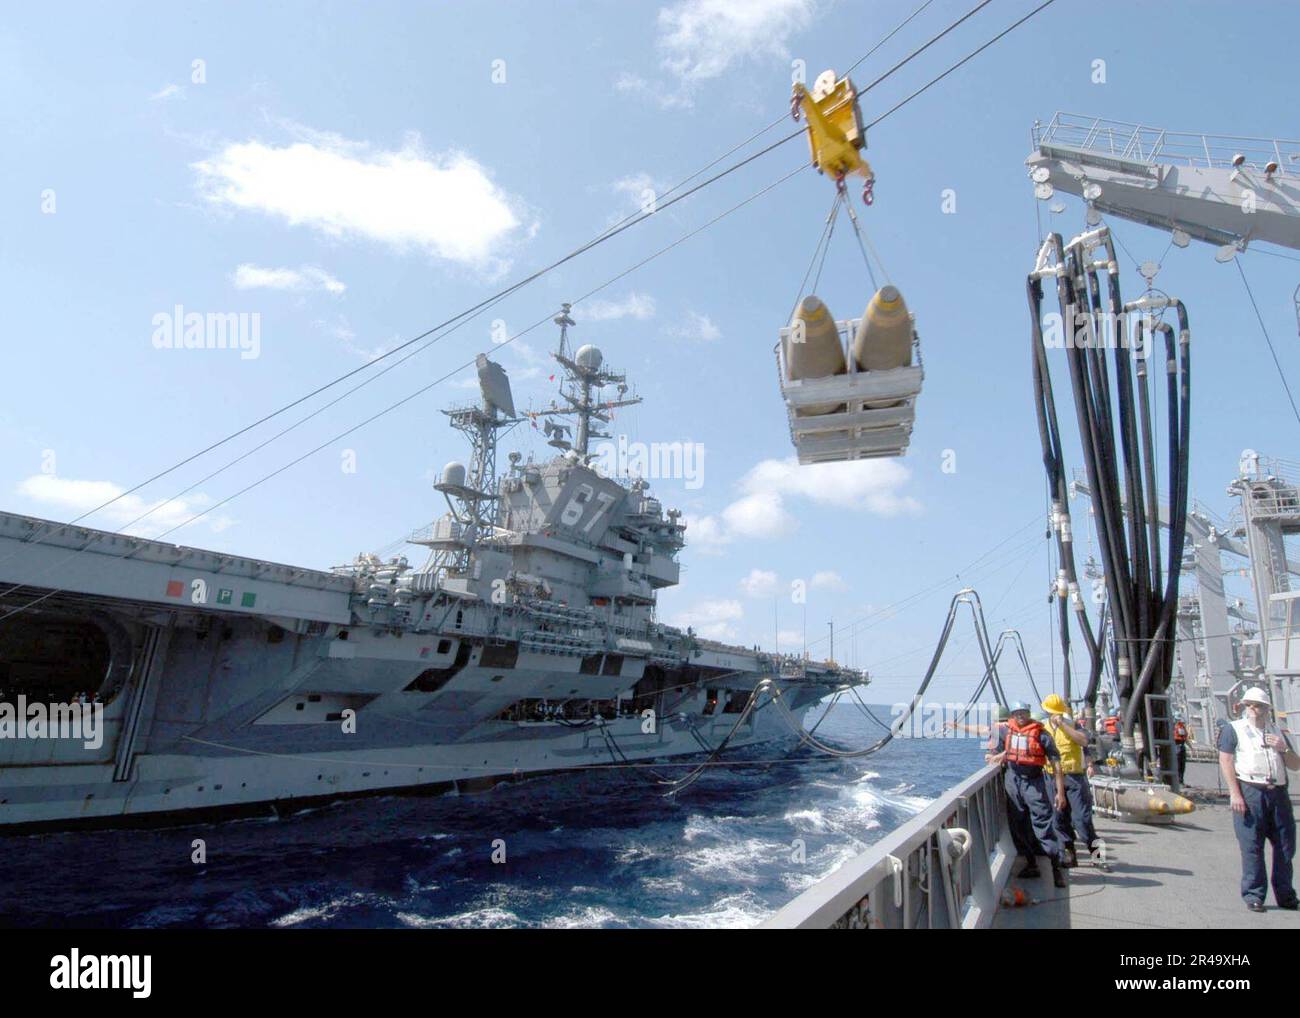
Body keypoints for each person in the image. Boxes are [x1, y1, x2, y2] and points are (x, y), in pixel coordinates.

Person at [1218, 686, 1300, 913]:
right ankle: (1254, 895)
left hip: (1278, 793)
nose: (1254, 709)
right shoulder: (1233, 730)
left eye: (1259, 705)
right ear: (1244, 706)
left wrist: (1283, 749)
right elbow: (1225, 761)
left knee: (1285, 847)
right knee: (1252, 845)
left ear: (1267, 709)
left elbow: (1295, 765)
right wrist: (1235, 793)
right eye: (1250, 705)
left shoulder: (1278, 733)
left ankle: (1286, 895)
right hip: (1250, 790)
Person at [990, 702, 1068, 888]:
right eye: (1017, 714)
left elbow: (1056, 763)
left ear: (1029, 714)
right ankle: (1031, 862)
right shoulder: (1006, 731)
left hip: (1034, 781)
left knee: (1043, 823)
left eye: (1023, 713)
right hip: (1012, 780)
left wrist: (1060, 792)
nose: (1020, 717)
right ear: (1012, 715)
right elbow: (986, 731)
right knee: (1018, 823)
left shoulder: (1041, 734)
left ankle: (1056, 867)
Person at [1041, 693, 1099, 868]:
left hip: (1074, 778)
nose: (1054, 716)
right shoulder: (1042, 728)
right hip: (1051, 778)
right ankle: (1070, 856)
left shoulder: (1074, 726)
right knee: (1059, 820)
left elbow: (1083, 741)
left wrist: (1064, 726)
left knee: (1083, 820)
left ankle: (1098, 855)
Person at [1173, 712, 1190, 785]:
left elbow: (1185, 738)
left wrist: (1190, 747)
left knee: (1182, 765)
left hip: (1181, 746)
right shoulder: (1172, 726)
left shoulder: (1181, 726)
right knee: (1177, 764)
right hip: (1176, 745)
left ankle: (1181, 780)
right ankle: (1176, 780)